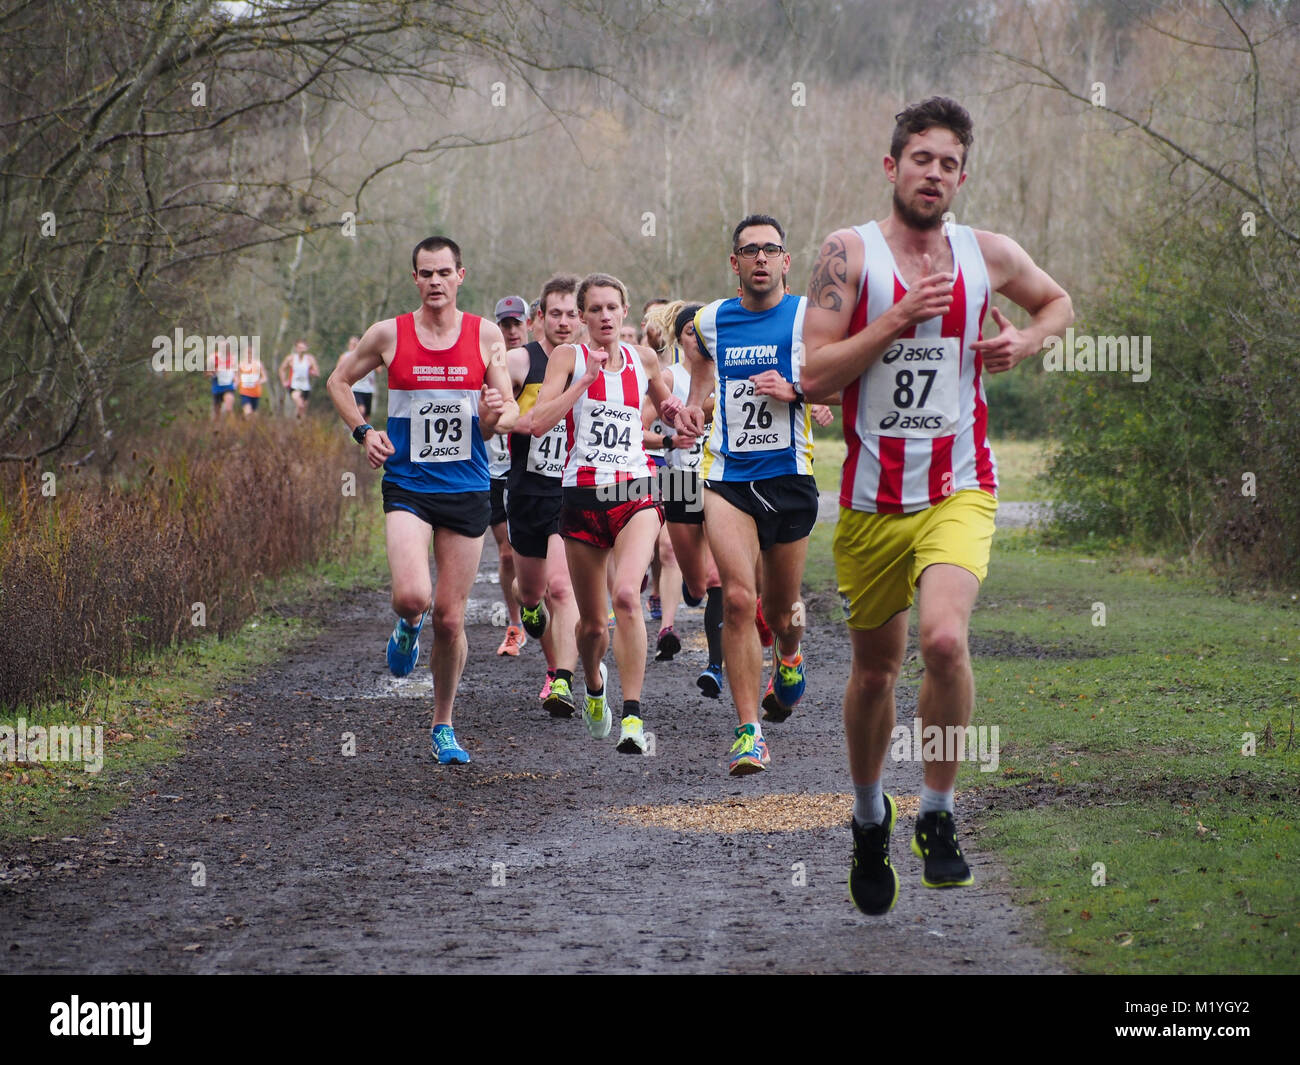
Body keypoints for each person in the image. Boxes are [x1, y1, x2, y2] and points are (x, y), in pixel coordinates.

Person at [800, 96, 1073, 914]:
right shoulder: (846, 256)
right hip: (871, 504)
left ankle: (941, 812)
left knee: (946, 642)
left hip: (960, 486)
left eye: (950, 163)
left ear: (961, 176)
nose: (935, 174)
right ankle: (866, 813)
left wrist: (1024, 341)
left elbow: (1059, 303)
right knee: (876, 671)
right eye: (922, 159)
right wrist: (895, 320)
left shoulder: (986, 254)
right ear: (893, 166)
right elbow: (814, 375)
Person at [325, 234, 518, 765]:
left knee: (451, 621)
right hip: (408, 485)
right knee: (413, 597)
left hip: (467, 487)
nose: (435, 282)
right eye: (425, 273)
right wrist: (364, 432)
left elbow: (497, 414)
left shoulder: (485, 337)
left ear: (461, 275)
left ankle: (443, 725)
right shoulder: (388, 334)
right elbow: (338, 381)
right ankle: (407, 626)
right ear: (415, 278)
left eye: (444, 273)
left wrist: (489, 411)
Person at [681, 215, 819, 776]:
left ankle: (788, 655)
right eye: (749, 251)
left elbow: (850, 375)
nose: (760, 258)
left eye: (771, 249)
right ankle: (748, 734)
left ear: (786, 260)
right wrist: (693, 403)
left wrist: (799, 390)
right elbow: (697, 362)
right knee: (738, 598)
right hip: (727, 477)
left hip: (789, 476)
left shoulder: (812, 317)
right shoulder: (710, 320)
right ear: (734, 263)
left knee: (783, 610)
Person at [529, 273, 687, 755]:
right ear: (580, 317)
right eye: (593, 309)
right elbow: (537, 423)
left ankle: (634, 719)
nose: (603, 317)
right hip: (581, 496)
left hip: (636, 490)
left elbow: (669, 408)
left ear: (624, 312)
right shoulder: (567, 358)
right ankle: (594, 684)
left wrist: (684, 420)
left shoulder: (644, 358)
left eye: (611, 308)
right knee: (593, 626)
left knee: (626, 595)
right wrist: (584, 384)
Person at [504, 276, 581, 713]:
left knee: (560, 586)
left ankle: (561, 679)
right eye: (556, 313)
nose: (565, 321)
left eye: (573, 313)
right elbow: (493, 409)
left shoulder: (594, 362)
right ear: (540, 319)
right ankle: (530, 613)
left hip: (570, 493)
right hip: (527, 491)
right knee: (532, 592)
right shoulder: (521, 361)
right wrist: (519, 417)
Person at [643, 301, 725, 691]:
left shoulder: (729, 374)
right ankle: (683, 601)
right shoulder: (669, 378)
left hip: (722, 480)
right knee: (682, 566)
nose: (700, 339)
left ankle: (714, 664)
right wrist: (668, 435)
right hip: (678, 477)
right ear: (679, 339)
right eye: (691, 332)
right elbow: (637, 426)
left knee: (717, 577)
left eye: (705, 331)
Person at [489, 296, 529, 655]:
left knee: (530, 550)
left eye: (517, 323)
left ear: (528, 323)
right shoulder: (486, 360)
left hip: (528, 471)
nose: (512, 330)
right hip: (491, 470)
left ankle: (538, 603)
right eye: (506, 324)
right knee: (505, 555)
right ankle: (515, 625)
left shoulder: (538, 362)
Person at [280, 340, 320, 418]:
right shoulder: (291, 358)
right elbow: (282, 369)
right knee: (300, 404)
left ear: (306, 348)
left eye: (303, 348)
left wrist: (312, 372)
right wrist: (283, 381)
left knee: (303, 410)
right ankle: (297, 422)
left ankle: (299, 426)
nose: (302, 350)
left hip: (305, 387)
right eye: (300, 347)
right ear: (296, 348)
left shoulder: (310, 359)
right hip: (294, 386)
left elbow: (317, 372)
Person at [344, 335, 377, 420]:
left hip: (368, 389)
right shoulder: (346, 356)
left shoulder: (369, 355)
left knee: (367, 416)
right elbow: (338, 373)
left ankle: (365, 432)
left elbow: (379, 369)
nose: (353, 345)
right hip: (355, 388)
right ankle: (355, 430)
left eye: (355, 344)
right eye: (351, 344)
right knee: (361, 410)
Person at [208, 340, 237, 417]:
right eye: (222, 347)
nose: (224, 349)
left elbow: (236, 373)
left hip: (229, 386)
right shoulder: (213, 357)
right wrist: (214, 373)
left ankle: (234, 427)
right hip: (217, 386)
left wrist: (236, 382)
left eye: (225, 347)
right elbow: (207, 373)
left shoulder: (233, 358)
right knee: (217, 412)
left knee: (229, 409)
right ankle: (216, 427)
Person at [237, 350, 267, 415]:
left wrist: (259, 381)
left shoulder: (258, 364)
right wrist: (237, 383)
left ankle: (251, 424)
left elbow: (264, 378)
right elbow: (237, 377)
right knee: (248, 411)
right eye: (247, 354)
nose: (249, 356)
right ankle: (247, 423)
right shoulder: (241, 364)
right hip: (244, 392)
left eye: (250, 353)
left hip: (256, 393)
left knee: (254, 413)